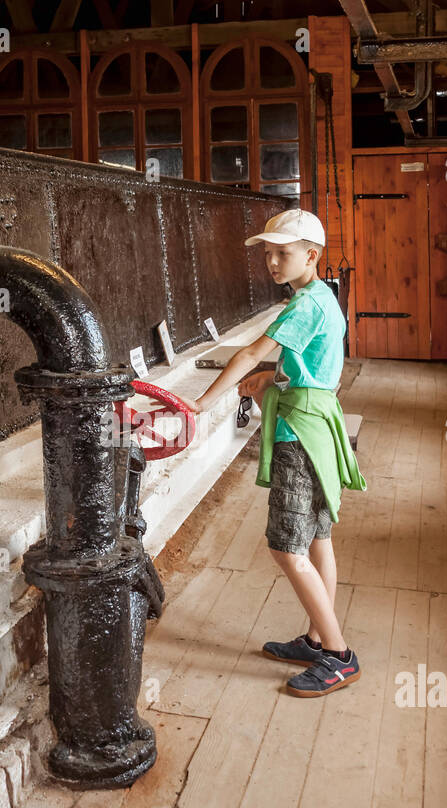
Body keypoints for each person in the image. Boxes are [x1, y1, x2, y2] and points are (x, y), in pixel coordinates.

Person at [155, 209, 367, 697]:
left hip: (300, 434)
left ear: (311, 255)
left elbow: (250, 351)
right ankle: (317, 639)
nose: (272, 261)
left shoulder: (302, 307)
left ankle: (338, 655)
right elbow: (319, 369)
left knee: (285, 547)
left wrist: (203, 402)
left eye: (283, 253)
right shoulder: (323, 299)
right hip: (319, 422)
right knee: (317, 539)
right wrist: (273, 380)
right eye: (268, 253)